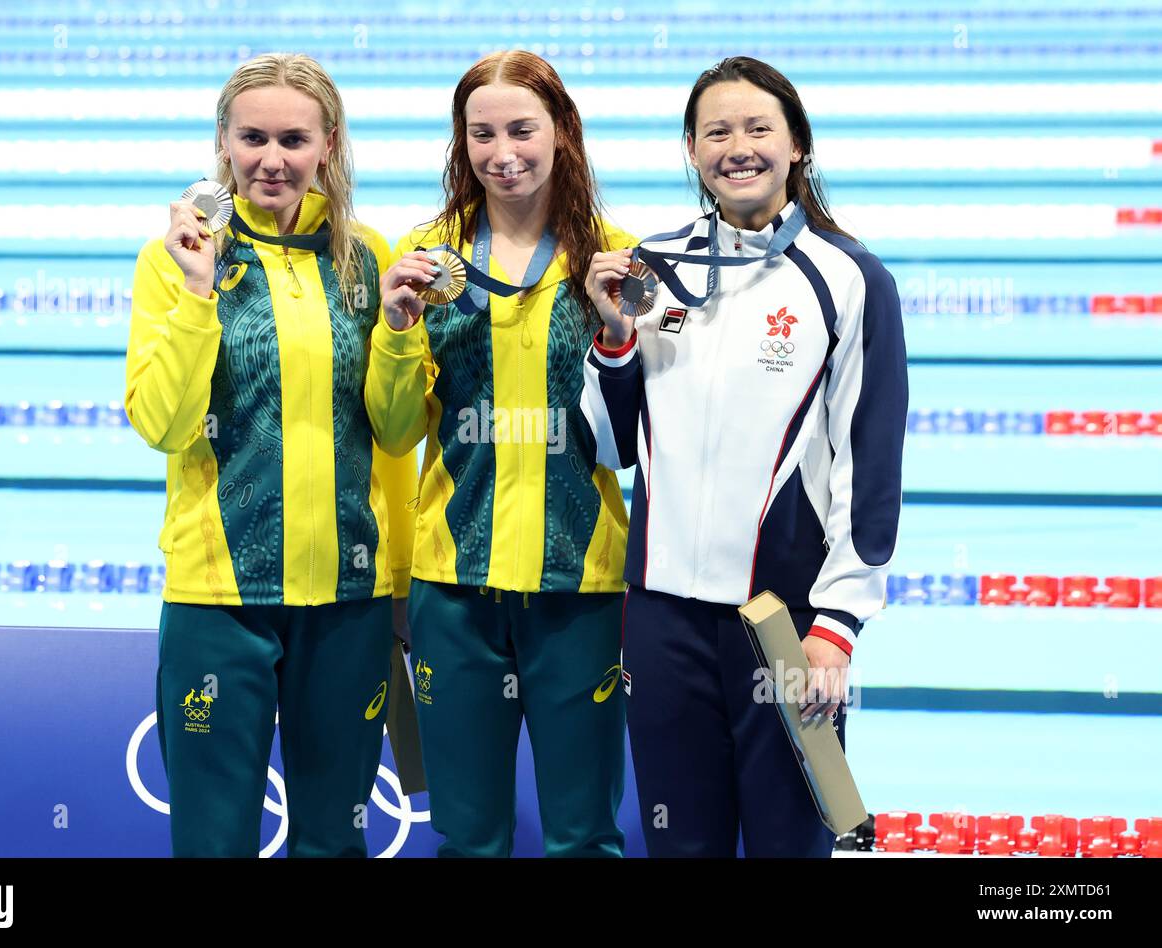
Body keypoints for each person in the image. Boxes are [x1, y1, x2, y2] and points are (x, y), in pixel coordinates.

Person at [581, 56, 908, 857]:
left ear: (796, 143)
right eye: (716, 130)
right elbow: (605, 443)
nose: (739, 146)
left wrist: (837, 625)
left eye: (759, 127)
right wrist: (615, 341)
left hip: (784, 621)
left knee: (788, 843)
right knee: (679, 842)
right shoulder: (648, 268)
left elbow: (870, 464)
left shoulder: (849, 278)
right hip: (661, 619)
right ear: (691, 149)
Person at [125, 52, 416, 857]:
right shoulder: (175, 258)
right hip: (219, 598)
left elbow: (394, 431)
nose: (272, 159)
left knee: (334, 842)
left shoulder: (364, 258)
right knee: (213, 841)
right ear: (224, 142)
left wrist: (396, 332)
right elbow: (163, 423)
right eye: (253, 137)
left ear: (328, 144)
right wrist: (194, 292)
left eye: (294, 138)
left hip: (347, 599)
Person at [366, 51, 631, 857]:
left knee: (583, 836)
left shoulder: (614, 259)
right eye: (482, 133)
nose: (502, 150)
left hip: (578, 584)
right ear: (462, 141)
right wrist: (398, 328)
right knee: (468, 836)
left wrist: (620, 333)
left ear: (562, 133)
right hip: (454, 589)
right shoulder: (427, 257)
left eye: (522, 128)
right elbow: (394, 426)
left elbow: (631, 444)